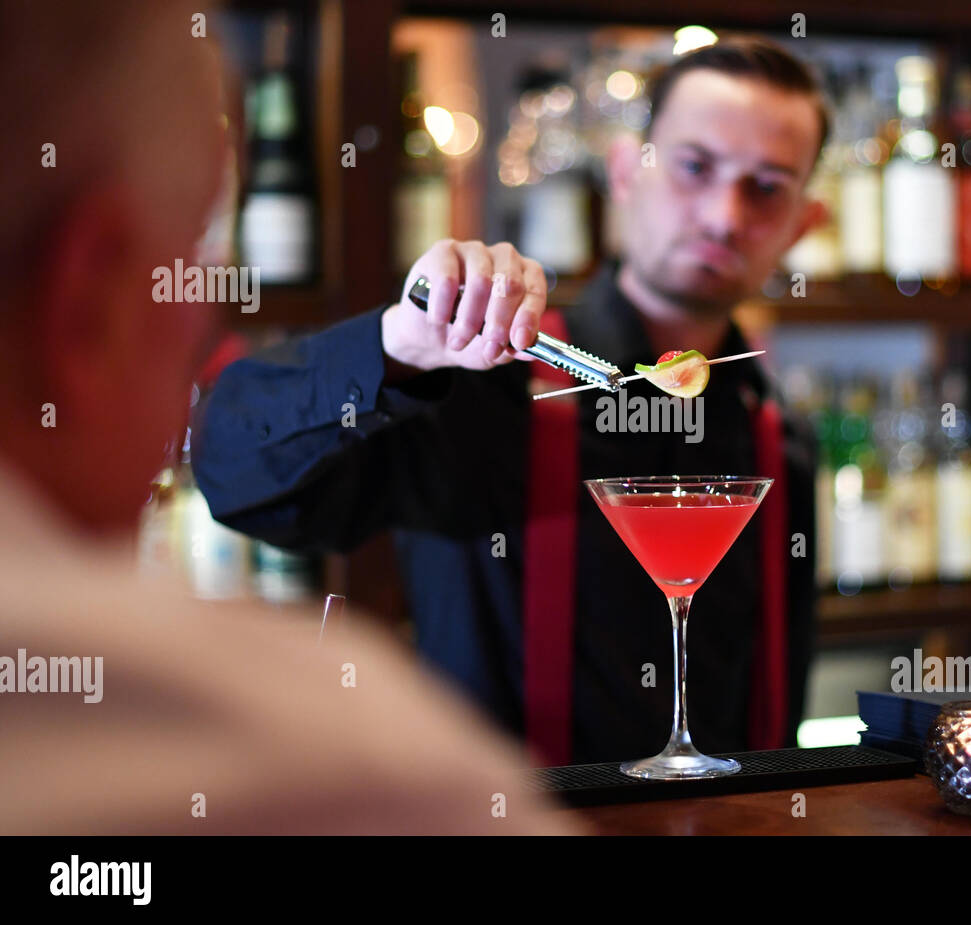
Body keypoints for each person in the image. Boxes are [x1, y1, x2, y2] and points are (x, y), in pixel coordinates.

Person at [0, 0, 572, 835]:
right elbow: (235, 454)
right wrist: (398, 345)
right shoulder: (338, 761)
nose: (205, 314)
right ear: (89, 295)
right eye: (195, 252)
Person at [195, 37, 827, 767]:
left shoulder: (783, 442)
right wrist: (400, 344)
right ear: (624, 172)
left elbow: (779, 700)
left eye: (768, 185)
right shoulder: (480, 393)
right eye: (694, 166)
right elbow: (232, 466)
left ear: (802, 225)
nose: (724, 213)